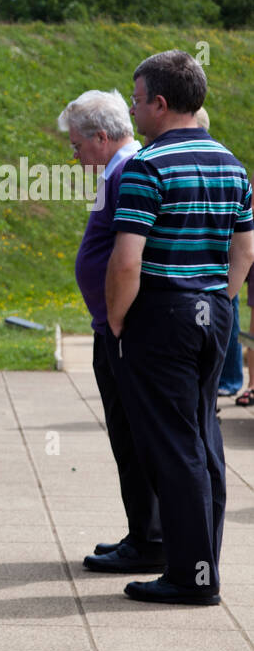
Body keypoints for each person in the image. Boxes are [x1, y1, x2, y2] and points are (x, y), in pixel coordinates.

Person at [105, 50, 254, 605]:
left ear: (160, 103)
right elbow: (244, 249)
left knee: (173, 446)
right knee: (203, 438)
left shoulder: (149, 165)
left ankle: (190, 577)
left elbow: (126, 261)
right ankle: (203, 565)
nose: (135, 109)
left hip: (162, 313)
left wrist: (119, 318)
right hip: (213, 311)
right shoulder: (231, 162)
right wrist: (219, 298)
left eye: (137, 99)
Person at [61, 91, 163, 573]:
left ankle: (150, 541)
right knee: (129, 436)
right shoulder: (118, 172)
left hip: (123, 329)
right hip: (115, 326)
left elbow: (129, 258)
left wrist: (116, 321)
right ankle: (142, 532)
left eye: (77, 144)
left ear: (102, 138)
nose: (74, 155)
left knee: (134, 436)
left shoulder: (126, 172)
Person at [202, 107, 247, 399]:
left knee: (228, 320)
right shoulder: (228, 164)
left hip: (215, 259)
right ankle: (227, 378)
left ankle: (227, 378)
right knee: (228, 317)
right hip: (224, 260)